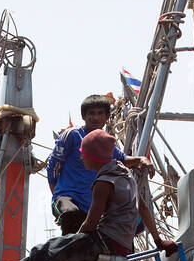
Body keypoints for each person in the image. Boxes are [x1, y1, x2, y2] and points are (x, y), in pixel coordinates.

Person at [0, 130, 175, 261]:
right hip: (120, 247)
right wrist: (158, 241)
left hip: (103, 244)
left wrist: (73, 241)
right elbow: (144, 209)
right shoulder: (126, 175)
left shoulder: (103, 182)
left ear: (94, 157)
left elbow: (90, 223)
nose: (82, 159)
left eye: (84, 155)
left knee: (43, 251)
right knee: (51, 258)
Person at [46, 94, 152, 233]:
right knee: (71, 215)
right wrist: (59, 199)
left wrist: (142, 160)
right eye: (91, 113)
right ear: (84, 116)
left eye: (100, 113)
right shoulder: (71, 136)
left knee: (134, 225)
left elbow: (123, 159)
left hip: (91, 204)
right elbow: (52, 170)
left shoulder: (105, 143)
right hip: (68, 198)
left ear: (107, 117)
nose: (96, 118)